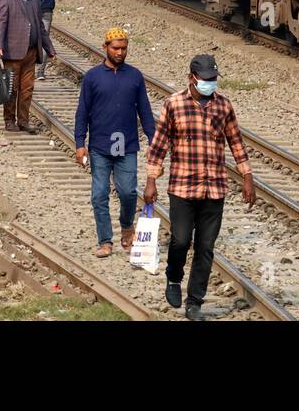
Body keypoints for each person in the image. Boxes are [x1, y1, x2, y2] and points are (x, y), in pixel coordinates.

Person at [143, 54, 256, 321]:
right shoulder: (173, 105)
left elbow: (236, 143)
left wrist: (247, 176)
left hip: (214, 188)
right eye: (206, 80)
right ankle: (173, 278)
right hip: (182, 186)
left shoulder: (224, 107)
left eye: (214, 80)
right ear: (192, 78)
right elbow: (158, 145)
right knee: (181, 239)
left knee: (206, 247)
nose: (210, 84)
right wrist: (151, 180)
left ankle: (195, 301)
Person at [75, 28, 156, 258]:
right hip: (99, 145)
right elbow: (82, 112)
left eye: (124, 48)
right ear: (105, 48)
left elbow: (145, 111)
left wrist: (154, 140)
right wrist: (80, 143)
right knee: (99, 194)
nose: (120, 53)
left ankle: (127, 225)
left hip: (127, 144)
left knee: (128, 192)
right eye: (116, 48)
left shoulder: (135, 76)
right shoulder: (92, 77)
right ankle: (105, 241)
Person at [0, 0, 54, 134]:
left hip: (31, 52)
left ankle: (24, 121)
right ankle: (9, 120)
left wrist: (50, 49)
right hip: (12, 52)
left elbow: (40, 28)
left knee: (27, 89)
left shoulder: (34, 0)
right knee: (11, 88)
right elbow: (1, 24)